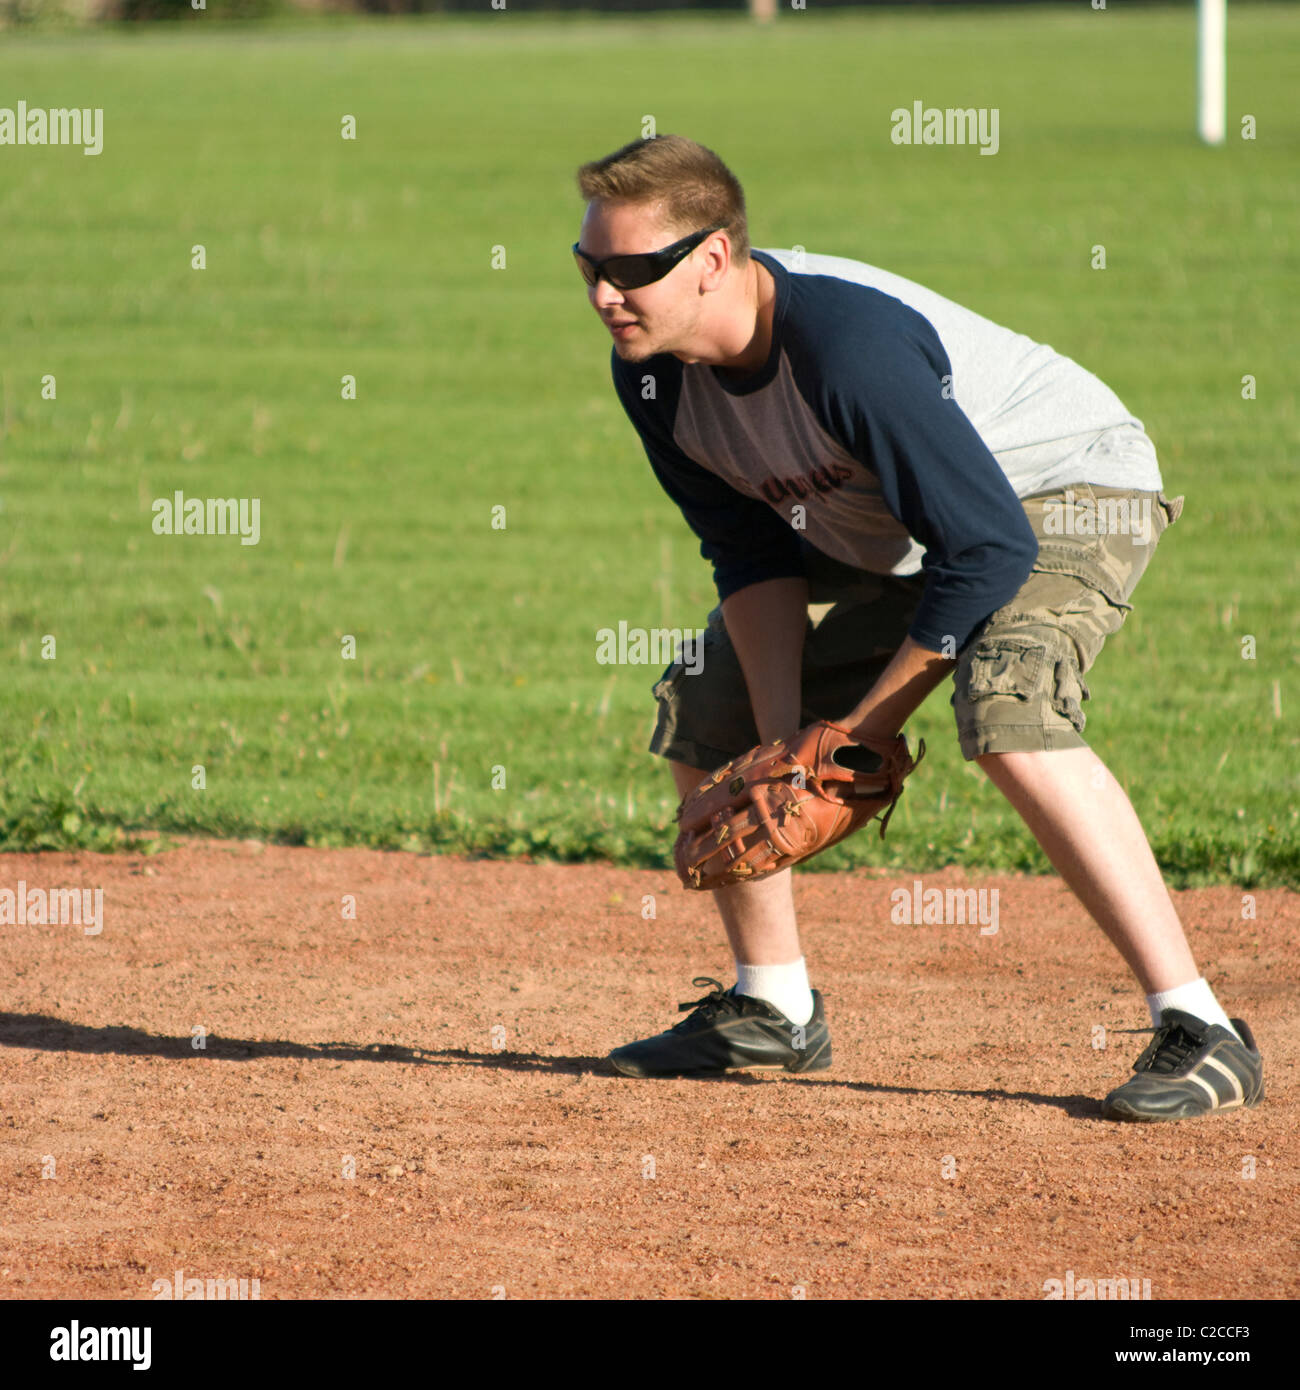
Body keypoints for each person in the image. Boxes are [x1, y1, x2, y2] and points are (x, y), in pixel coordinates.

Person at [573, 134, 1263, 1122]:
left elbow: (983, 550)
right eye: (589, 268)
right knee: (708, 700)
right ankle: (773, 1000)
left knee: (1007, 708)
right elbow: (752, 555)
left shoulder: (842, 349)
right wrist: (783, 746)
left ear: (714, 259)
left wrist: (856, 738)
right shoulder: (650, 373)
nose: (605, 294)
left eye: (631, 271)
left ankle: (1201, 1026)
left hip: (1060, 492)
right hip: (904, 527)